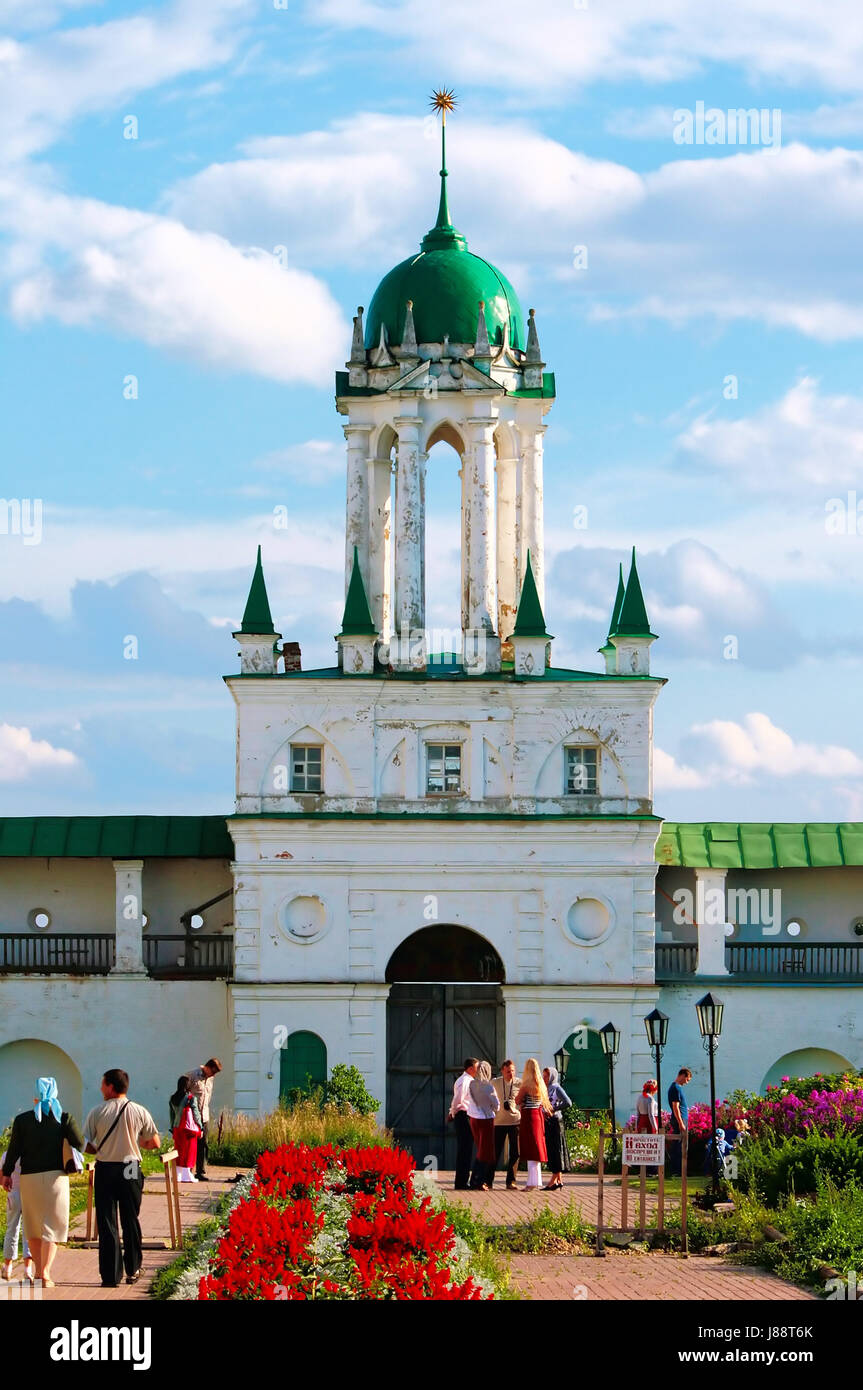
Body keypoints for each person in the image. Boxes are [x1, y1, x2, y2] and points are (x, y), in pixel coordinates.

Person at [0, 1077, 85, 1288]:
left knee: (34, 1227)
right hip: (56, 1178)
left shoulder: (22, 1120)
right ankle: (45, 1274)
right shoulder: (64, 1118)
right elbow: (80, 1144)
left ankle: (38, 1272)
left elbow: (14, 1151)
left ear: (36, 1095)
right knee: (52, 1228)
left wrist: (7, 1173)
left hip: (29, 1179)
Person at [83, 1069, 160, 1289]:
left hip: (106, 1167)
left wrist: (98, 1148)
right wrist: (136, 1144)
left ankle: (110, 1275)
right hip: (131, 1166)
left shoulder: (97, 1111)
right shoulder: (138, 1110)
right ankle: (133, 1269)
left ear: (110, 1086)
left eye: (102, 1084)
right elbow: (154, 1142)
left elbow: (85, 1142)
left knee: (107, 1221)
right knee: (130, 1219)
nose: (100, 1088)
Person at [515, 1058, 552, 1190]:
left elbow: (517, 1100)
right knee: (536, 1148)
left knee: (530, 1149)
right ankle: (536, 1181)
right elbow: (543, 1103)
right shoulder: (541, 1085)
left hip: (529, 1117)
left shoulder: (526, 1086)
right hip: (538, 1116)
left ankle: (531, 1183)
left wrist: (522, 1101)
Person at [1, 1152, 35, 1284]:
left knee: (11, 1229)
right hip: (29, 1193)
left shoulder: (6, 1155)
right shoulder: (31, 1152)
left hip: (13, 1193)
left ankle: (8, 1267)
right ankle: (28, 1270)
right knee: (29, 1231)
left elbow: (1, 1178)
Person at [187, 1058, 222, 1181]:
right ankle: (188, 1170)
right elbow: (184, 1092)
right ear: (207, 1067)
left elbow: (208, 1096)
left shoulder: (211, 1079)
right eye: (213, 1072)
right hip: (192, 1116)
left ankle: (200, 1171)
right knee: (190, 1144)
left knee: (203, 1144)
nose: (213, 1075)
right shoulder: (192, 1075)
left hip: (204, 1115)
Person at [467, 1061, 500, 1191]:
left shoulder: (471, 1084)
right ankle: (478, 1181)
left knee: (480, 1150)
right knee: (485, 1152)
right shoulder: (488, 1087)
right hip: (486, 1119)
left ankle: (475, 1179)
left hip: (473, 1118)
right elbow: (496, 1105)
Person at [449, 1058, 479, 1190]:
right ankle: (461, 1182)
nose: (478, 1070)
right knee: (464, 1149)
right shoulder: (465, 1081)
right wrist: (453, 1112)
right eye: (477, 1067)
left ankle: (462, 1180)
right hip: (463, 1115)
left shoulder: (467, 1080)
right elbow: (458, 1099)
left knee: (466, 1149)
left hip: (465, 1115)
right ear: (471, 1068)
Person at [542, 1066, 572, 1190]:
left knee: (555, 1150)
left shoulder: (556, 1087)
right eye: (543, 1075)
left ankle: (553, 1181)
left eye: (547, 1075)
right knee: (552, 1149)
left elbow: (568, 1102)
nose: (544, 1078)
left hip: (555, 1122)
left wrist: (553, 1109)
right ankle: (559, 1180)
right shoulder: (545, 1088)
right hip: (548, 1122)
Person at [492, 1060, 521, 1190]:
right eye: (508, 1071)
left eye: (513, 1071)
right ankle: (488, 1180)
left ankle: (511, 1181)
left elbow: (525, 1099)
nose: (511, 1073)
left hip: (515, 1121)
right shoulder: (495, 1082)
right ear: (502, 1071)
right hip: (499, 1122)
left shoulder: (519, 1083)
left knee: (515, 1152)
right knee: (495, 1152)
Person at [169, 1076, 203, 1183]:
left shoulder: (173, 1098)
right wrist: (200, 1127)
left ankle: (177, 1174)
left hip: (177, 1128)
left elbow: (171, 1115)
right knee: (189, 1151)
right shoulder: (191, 1098)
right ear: (188, 1086)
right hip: (189, 1130)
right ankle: (187, 1175)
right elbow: (196, 1114)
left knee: (178, 1151)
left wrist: (172, 1128)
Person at [667, 1067, 692, 1176]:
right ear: (683, 1075)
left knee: (681, 1144)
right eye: (687, 1079)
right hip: (679, 1120)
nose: (687, 1082)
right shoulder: (676, 1088)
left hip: (681, 1119)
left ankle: (679, 1170)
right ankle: (677, 1171)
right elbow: (675, 1106)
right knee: (679, 1145)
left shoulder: (677, 1088)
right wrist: (681, 1122)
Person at [636, 1079, 660, 1176]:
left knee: (643, 1146)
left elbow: (637, 1114)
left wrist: (637, 1127)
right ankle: (651, 1170)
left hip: (641, 1121)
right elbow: (651, 1115)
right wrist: (655, 1128)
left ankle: (642, 1169)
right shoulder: (650, 1099)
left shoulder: (639, 1097)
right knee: (651, 1146)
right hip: (649, 1123)